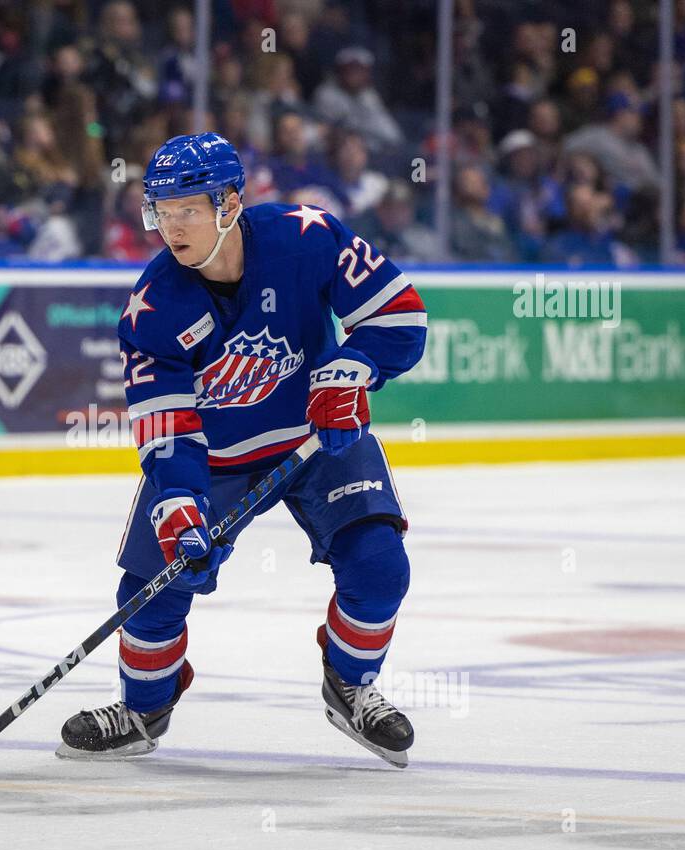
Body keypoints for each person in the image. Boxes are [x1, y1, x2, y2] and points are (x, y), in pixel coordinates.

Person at [57, 133, 428, 767]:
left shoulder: (305, 237)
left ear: (229, 203)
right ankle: (143, 710)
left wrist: (352, 369)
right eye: (161, 212)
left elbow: (400, 319)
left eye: (186, 211)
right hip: (216, 460)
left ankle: (351, 685)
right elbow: (167, 427)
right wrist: (178, 503)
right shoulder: (155, 308)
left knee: (380, 565)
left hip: (319, 438)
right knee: (149, 593)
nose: (171, 228)